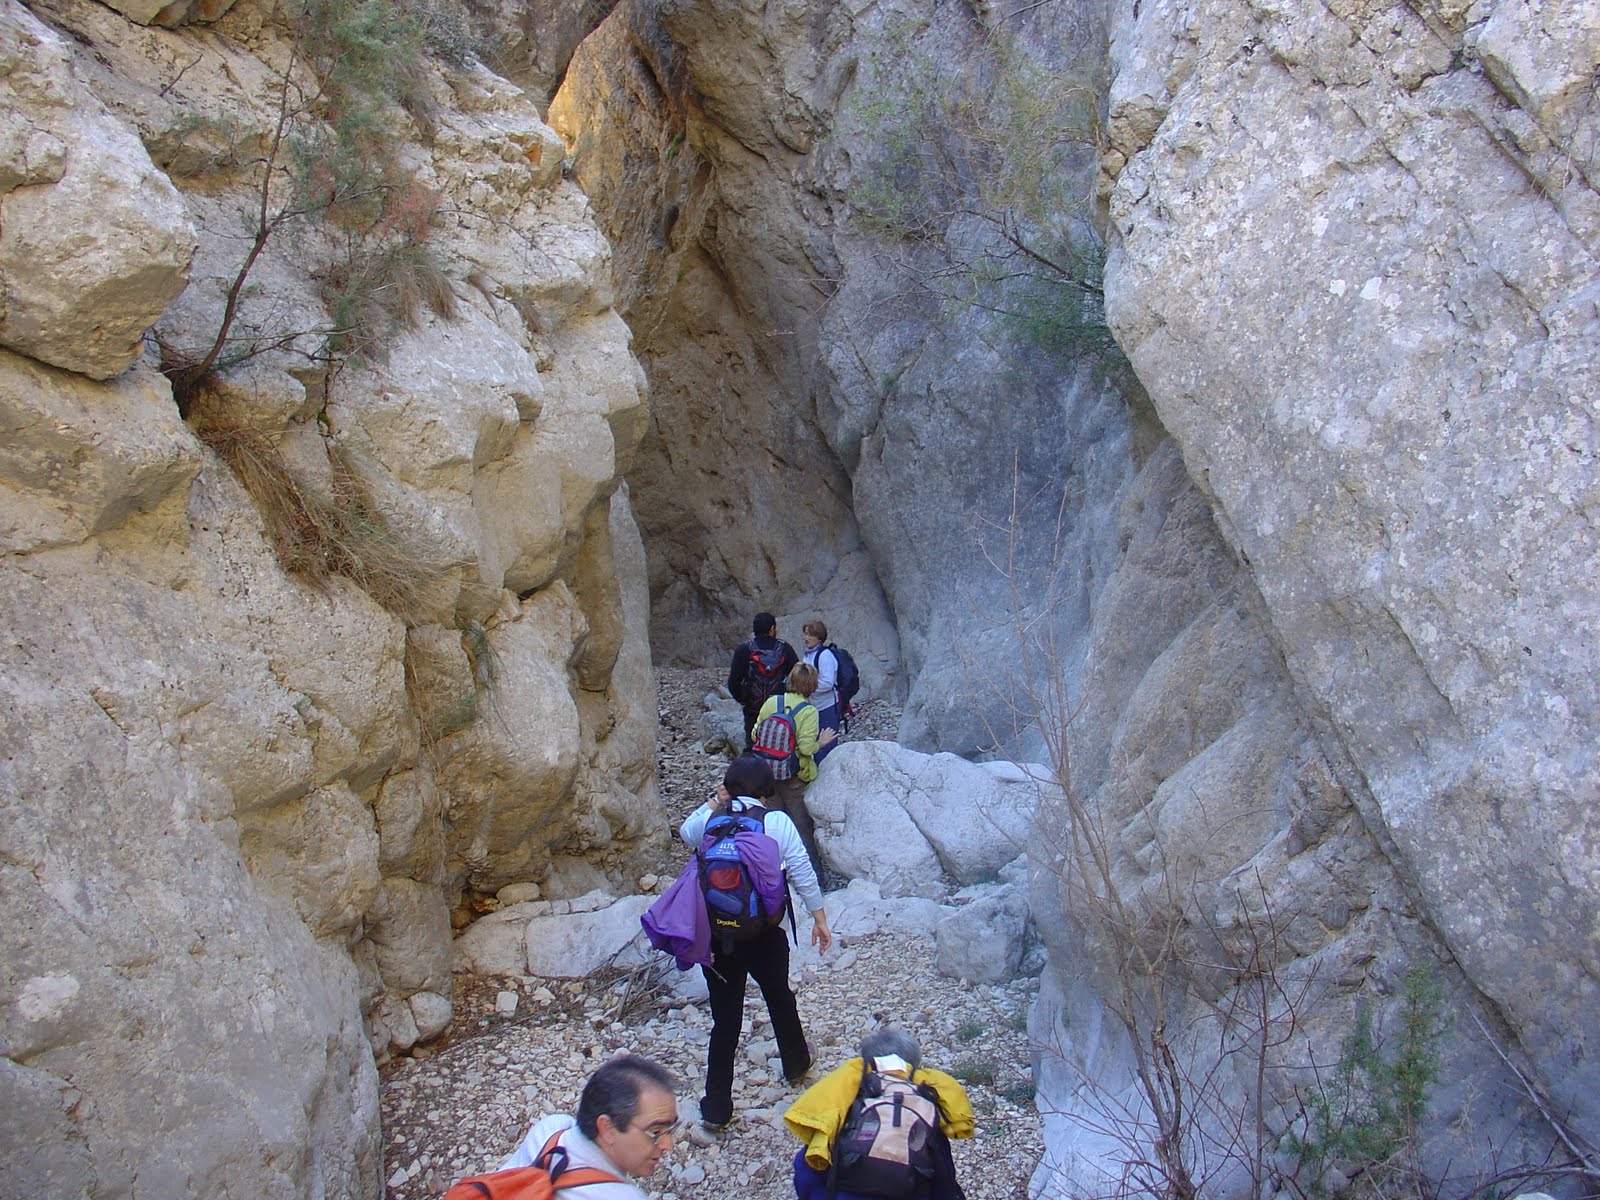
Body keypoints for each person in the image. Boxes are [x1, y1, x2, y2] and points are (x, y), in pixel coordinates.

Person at [680, 754, 833, 1131]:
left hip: (719, 936)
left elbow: (686, 832)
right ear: (767, 788)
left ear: (729, 786)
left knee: (725, 1021)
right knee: (779, 996)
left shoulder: (709, 822)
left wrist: (715, 800)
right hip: (766, 932)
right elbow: (800, 870)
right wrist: (819, 918)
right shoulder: (775, 821)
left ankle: (716, 1107)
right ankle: (795, 1064)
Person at [784, 1029, 974, 1200]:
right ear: (914, 1065)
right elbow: (943, 1180)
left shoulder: (843, 1102)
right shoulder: (926, 1107)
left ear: (867, 1063)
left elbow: (807, 1172)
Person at [497, 1054, 680, 1198]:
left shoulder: (551, 1130)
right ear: (607, 1128)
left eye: (670, 1131)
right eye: (656, 1132)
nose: (668, 1145)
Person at [754, 660, 835, 870]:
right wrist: (822, 742)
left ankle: (773, 873)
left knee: (772, 826)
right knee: (801, 828)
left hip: (766, 775)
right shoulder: (808, 712)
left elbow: (755, 734)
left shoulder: (772, 702)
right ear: (812, 686)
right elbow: (806, 748)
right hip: (794, 778)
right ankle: (812, 876)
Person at [728, 611, 799, 748]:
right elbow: (797, 677)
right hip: (779, 709)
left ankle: (754, 765)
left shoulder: (744, 650)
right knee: (778, 745)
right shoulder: (785, 649)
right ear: (772, 629)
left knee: (753, 743)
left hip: (752, 709)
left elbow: (733, 683)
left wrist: (744, 700)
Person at [800, 620, 842, 763]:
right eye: (805, 634)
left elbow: (828, 682)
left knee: (827, 746)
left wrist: (807, 688)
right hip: (812, 706)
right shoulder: (808, 654)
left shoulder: (825, 656)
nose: (807, 638)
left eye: (811, 635)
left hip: (826, 707)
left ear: (819, 637)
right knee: (815, 743)